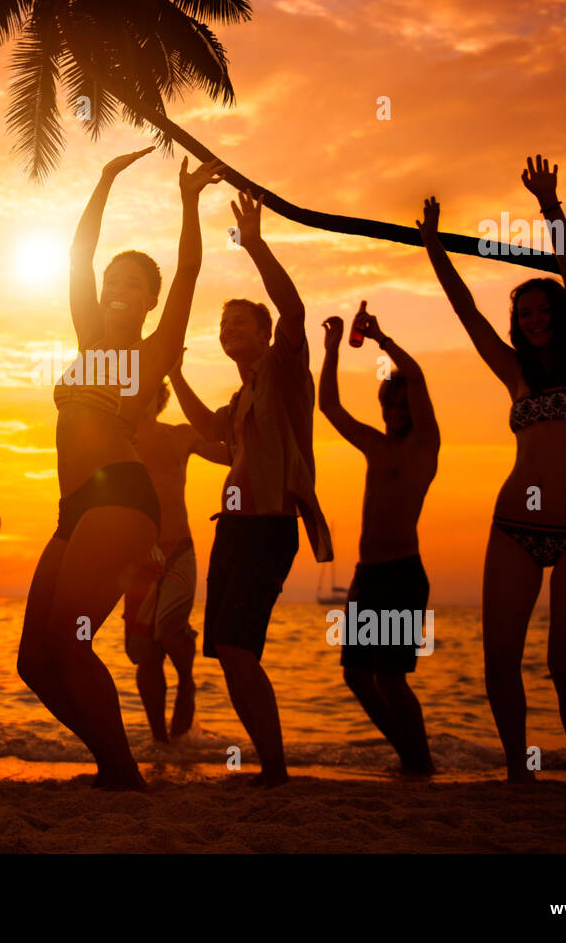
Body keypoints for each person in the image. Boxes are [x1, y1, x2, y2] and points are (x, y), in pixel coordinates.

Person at [17, 148, 226, 791]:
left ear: (149, 302)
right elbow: (78, 257)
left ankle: (121, 773)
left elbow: (189, 269)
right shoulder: (87, 338)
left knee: (70, 642)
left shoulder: (153, 352)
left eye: (132, 285)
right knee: (34, 660)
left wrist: (190, 201)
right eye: (113, 282)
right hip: (73, 509)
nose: (114, 290)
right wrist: (103, 179)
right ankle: (112, 760)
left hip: (122, 501)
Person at [420, 154, 566, 788]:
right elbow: (466, 313)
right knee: (499, 660)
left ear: (558, 317)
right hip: (514, 528)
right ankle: (518, 775)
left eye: (542, 312)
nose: (533, 320)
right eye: (524, 314)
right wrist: (433, 248)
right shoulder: (516, 375)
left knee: (565, 666)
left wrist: (550, 207)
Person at [168, 189, 333, 788]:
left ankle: (276, 769)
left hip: (268, 527)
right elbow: (212, 435)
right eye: (224, 324)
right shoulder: (239, 401)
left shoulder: (285, 376)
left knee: (240, 651)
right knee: (229, 653)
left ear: (264, 335)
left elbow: (294, 311)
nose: (230, 328)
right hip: (234, 530)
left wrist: (256, 243)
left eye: (241, 322)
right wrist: (173, 373)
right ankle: (272, 767)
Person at [318, 309, 439, 774]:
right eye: (390, 406)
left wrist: (381, 339)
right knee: (357, 676)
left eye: (403, 407)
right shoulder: (375, 445)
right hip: (367, 576)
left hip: (402, 575)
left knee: (390, 678)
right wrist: (330, 353)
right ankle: (410, 757)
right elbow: (329, 408)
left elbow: (417, 377)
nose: (396, 414)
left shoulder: (423, 445)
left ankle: (421, 763)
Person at [126, 376, 229, 744]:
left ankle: (187, 681)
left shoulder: (181, 435)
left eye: (151, 391)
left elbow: (229, 454)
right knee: (145, 654)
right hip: (138, 556)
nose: (145, 398)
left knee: (169, 630)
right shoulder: (121, 442)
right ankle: (159, 741)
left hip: (179, 549)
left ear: (161, 397)